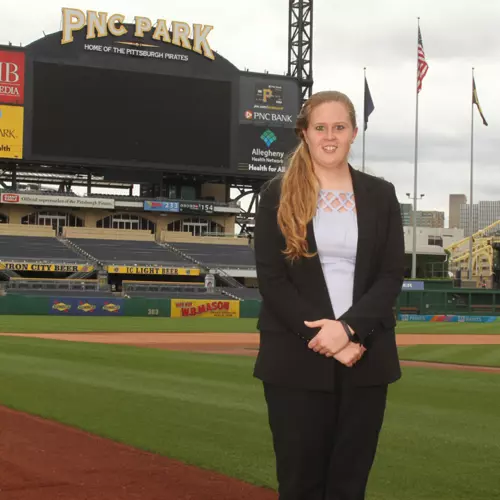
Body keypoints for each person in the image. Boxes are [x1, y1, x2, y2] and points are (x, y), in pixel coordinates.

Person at [253, 90, 405, 500]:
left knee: (349, 484)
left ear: (354, 132)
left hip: (366, 354)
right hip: (294, 358)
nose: (330, 136)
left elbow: (392, 273)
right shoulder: (276, 192)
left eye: (339, 127)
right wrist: (328, 340)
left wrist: (351, 330)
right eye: (320, 127)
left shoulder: (380, 194)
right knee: (300, 483)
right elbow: (272, 279)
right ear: (304, 133)